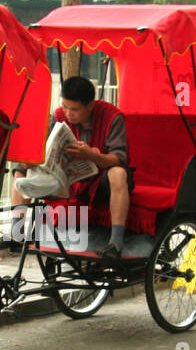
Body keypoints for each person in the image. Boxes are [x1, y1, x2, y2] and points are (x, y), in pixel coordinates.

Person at [11, 75, 131, 260]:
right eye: (65, 106)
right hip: (64, 179)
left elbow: (119, 158)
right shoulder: (58, 116)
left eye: (74, 109)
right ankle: (16, 232)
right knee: (21, 168)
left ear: (90, 106)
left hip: (99, 181)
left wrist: (92, 156)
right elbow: (42, 149)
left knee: (119, 173)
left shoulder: (112, 118)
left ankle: (115, 242)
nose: (68, 113)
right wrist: (31, 160)